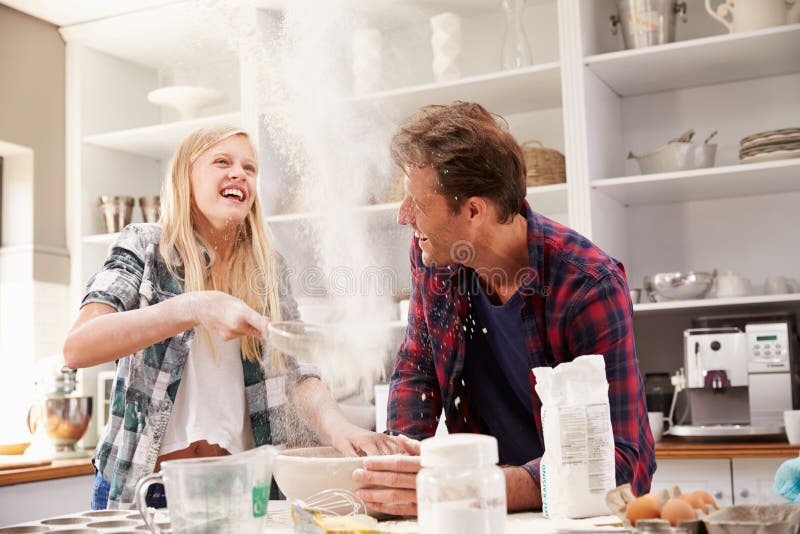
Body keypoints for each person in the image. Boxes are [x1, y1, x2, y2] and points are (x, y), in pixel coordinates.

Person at [63, 125, 402, 509]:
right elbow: (78, 347)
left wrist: (339, 428)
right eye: (221, 162)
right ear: (185, 179)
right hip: (148, 491)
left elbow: (297, 373)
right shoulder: (145, 246)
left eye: (250, 168)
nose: (239, 173)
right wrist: (193, 307)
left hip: (240, 491)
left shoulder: (268, 270)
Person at [352, 102, 656, 515]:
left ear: (475, 211)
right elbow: (418, 366)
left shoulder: (587, 285)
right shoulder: (435, 254)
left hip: (572, 515)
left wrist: (480, 486)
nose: (403, 217)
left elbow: (621, 464)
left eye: (416, 203)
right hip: (485, 506)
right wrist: (400, 468)